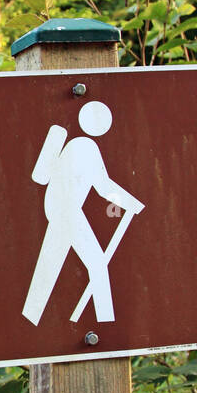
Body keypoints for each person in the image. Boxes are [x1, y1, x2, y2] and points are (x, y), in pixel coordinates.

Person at [22, 101, 144, 326]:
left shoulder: (74, 144)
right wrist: (132, 203)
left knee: (49, 265)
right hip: (66, 211)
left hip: (59, 208)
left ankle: (29, 318)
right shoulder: (86, 147)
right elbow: (103, 187)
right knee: (96, 262)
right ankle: (106, 320)